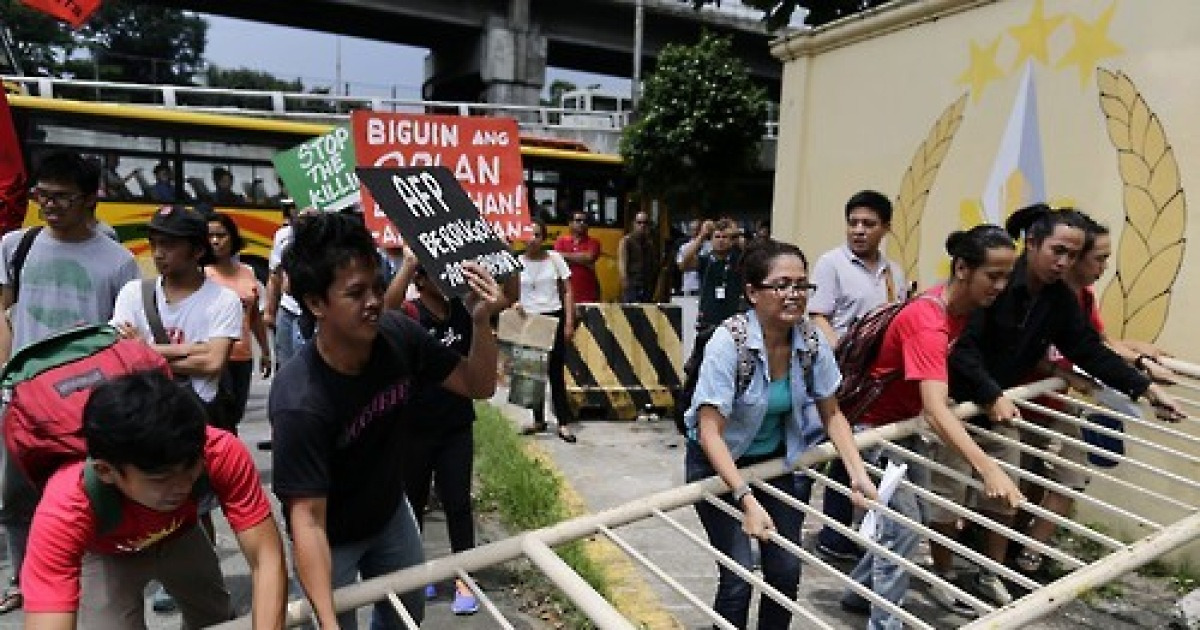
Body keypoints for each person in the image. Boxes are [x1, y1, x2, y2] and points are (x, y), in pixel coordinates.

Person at [270, 212, 506, 630]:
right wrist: (325, 620)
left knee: (405, 616)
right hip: (331, 537)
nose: (375, 302)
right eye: (356, 293)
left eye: (378, 287)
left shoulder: (399, 335)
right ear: (315, 303)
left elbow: (478, 384)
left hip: (390, 514)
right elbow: (306, 518)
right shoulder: (300, 401)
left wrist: (481, 321)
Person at [948, 204, 1185, 606]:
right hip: (956, 399)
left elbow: (1090, 349)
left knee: (1006, 479)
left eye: (1073, 255)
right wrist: (991, 393)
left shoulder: (1058, 299)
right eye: (1058, 250)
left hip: (999, 404)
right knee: (941, 494)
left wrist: (1144, 388)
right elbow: (960, 349)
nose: (1064, 262)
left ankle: (989, 571)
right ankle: (939, 570)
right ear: (1033, 243)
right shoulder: (998, 282)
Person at [684, 238, 878, 629]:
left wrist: (859, 474)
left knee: (785, 572)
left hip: (774, 463)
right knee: (739, 575)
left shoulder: (809, 340)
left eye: (802, 285)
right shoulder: (728, 344)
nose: (794, 295)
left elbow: (833, 411)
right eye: (783, 284)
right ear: (753, 293)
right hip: (718, 465)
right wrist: (746, 499)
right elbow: (710, 433)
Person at [838, 225, 1025, 627]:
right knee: (902, 530)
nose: (1001, 285)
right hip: (876, 430)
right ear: (962, 268)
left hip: (901, 427)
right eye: (993, 275)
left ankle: (858, 592)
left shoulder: (959, 311)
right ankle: (883, 623)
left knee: (909, 519)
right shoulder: (929, 320)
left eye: (1007, 275)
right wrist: (987, 467)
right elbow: (936, 409)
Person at [20, 371, 287, 630]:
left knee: (216, 614)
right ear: (106, 472)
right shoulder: (66, 507)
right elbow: (48, 618)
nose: (182, 486)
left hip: (180, 533)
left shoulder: (218, 450)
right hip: (107, 551)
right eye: (161, 479)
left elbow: (266, 558)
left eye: (190, 468)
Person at [0, 150, 141, 615]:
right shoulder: (16, 245)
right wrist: (8, 377)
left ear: (90, 199)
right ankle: (24, 579)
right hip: (21, 398)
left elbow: (120, 335)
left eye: (62, 197)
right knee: (15, 497)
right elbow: (4, 312)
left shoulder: (118, 262)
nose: (49, 206)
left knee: (86, 495)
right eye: (43, 195)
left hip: (85, 403)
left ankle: (83, 579)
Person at [1013, 211, 1179, 574]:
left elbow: (1094, 346)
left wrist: (1143, 375)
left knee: (1066, 476)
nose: (1104, 266)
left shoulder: (1076, 300)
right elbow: (1015, 351)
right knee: (1011, 483)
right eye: (1099, 257)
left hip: (1058, 404)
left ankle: (1026, 557)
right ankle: (989, 559)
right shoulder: (1023, 289)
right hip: (1017, 401)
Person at [809, 189, 909, 563]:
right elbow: (819, 315)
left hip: (875, 381)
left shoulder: (892, 273)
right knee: (822, 449)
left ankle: (844, 532)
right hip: (835, 374)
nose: (859, 230)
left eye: (868, 224)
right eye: (853, 223)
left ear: (885, 228)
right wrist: (838, 358)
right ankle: (831, 531)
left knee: (858, 451)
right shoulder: (831, 264)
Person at [386, 254, 483, 616]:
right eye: (438, 273)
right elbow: (384, 310)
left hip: (456, 424)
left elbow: (506, 298)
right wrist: (410, 263)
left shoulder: (464, 309)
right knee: (413, 505)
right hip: (413, 428)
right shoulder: (409, 313)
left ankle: (464, 577)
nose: (448, 280)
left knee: (458, 502)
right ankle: (419, 570)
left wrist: (502, 258)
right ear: (423, 280)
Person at [205, 212, 273, 427]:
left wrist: (264, 350)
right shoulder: (201, 275)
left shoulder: (248, 272)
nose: (215, 241)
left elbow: (254, 317)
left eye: (221, 235)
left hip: (243, 357)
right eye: (210, 236)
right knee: (221, 420)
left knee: (235, 415)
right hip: (214, 357)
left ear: (233, 238)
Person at [516, 221, 578, 443]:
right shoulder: (516, 261)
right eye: (529, 235)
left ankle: (563, 422)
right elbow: (509, 290)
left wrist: (569, 321)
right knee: (532, 373)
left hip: (553, 316)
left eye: (537, 235)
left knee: (555, 372)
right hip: (528, 319)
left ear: (543, 238)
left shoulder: (554, 259)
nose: (532, 239)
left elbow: (568, 290)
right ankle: (538, 418)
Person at [263, 200, 308, 370]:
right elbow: (274, 275)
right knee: (284, 366)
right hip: (287, 311)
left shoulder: (328, 235)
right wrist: (269, 311)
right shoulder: (283, 236)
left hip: (313, 313)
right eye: (294, 208)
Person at [679, 218, 744, 332]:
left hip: (732, 319)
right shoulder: (705, 260)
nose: (721, 241)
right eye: (717, 237)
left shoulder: (737, 260)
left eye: (724, 237)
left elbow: (752, 254)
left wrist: (736, 234)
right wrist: (701, 236)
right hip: (708, 319)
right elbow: (684, 264)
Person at [554, 209, 602, 303]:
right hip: (565, 292)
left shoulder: (594, 242)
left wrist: (564, 256)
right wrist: (581, 259)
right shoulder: (561, 241)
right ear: (570, 223)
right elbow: (557, 260)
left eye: (585, 221)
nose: (582, 223)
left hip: (588, 293)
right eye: (578, 220)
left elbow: (589, 258)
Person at [618, 211, 660, 303]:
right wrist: (625, 280)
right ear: (634, 224)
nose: (642, 225)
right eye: (639, 222)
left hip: (646, 285)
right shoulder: (626, 241)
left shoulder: (650, 244)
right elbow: (622, 262)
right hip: (632, 285)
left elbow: (653, 266)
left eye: (645, 223)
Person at [676, 219, 708, 297]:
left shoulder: (710, 246)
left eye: (698, 229)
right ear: (689, 231)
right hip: (689, 286)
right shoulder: (684, 247)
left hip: (705, 287)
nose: (695, 232)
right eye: (693, 230)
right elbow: (681, 266)